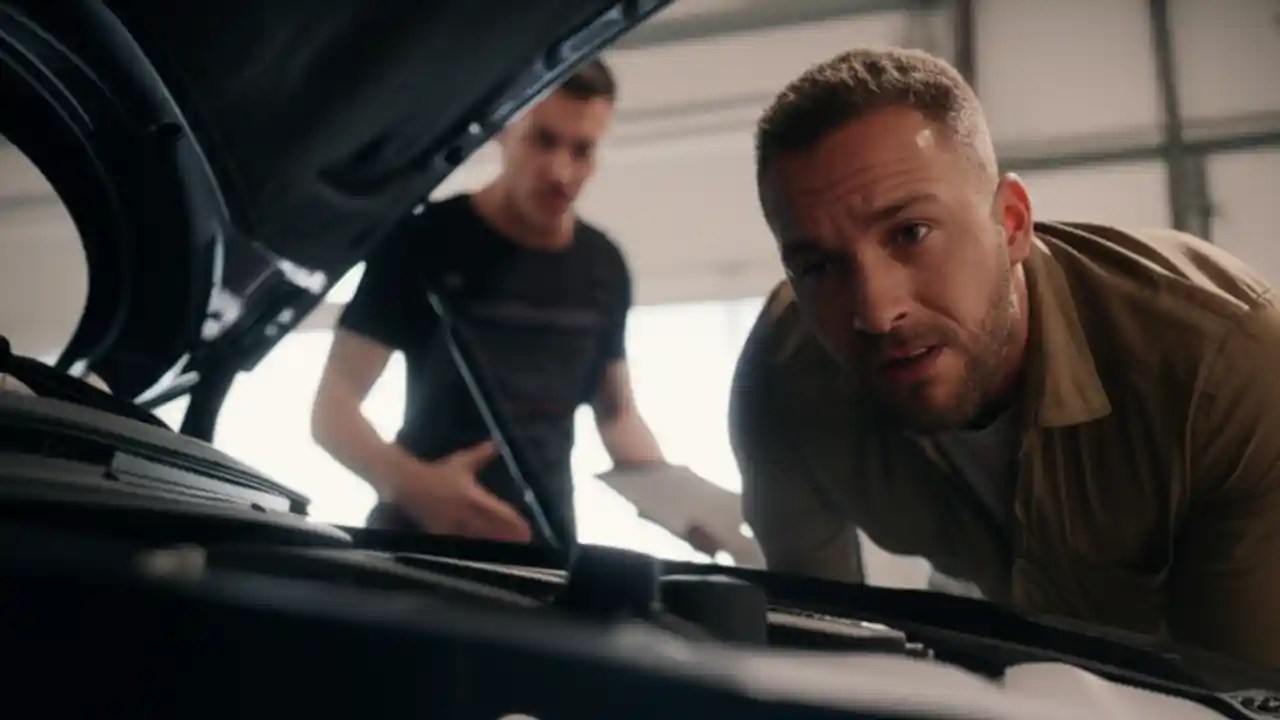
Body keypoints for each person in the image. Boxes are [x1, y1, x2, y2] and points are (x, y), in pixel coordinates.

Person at [729, 47, 1280, 669]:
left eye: (910, 233)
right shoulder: (786, 378)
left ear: (1013, 223)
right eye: (819, 266)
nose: (876, 313)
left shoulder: (1221, 366)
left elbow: (1244, 694)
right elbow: (821, 657)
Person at [312, 59, 665, 547]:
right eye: (543, 141)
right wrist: (415, 488)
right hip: (418, 547)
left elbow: (617, 416)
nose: (561, 170)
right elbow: (333, 408)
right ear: (503, 129)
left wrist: (685, 505)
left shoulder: (604, 265)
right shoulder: (424, 239)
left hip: (543, 550)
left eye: (582, 150)